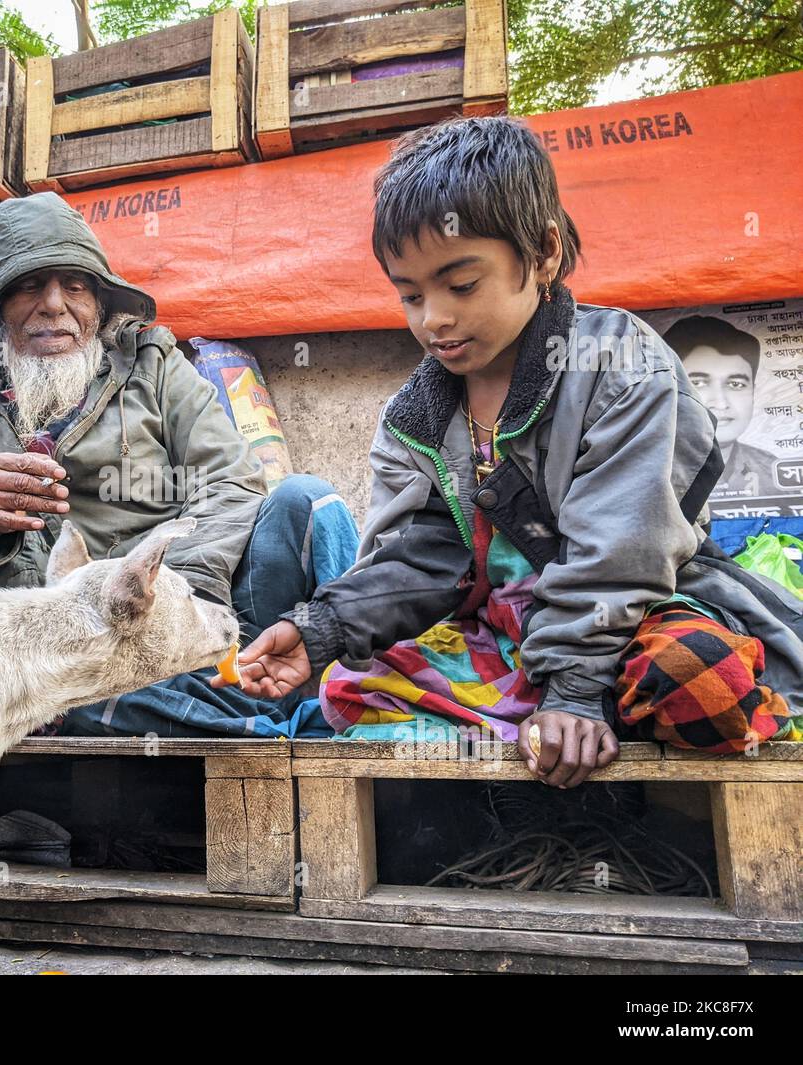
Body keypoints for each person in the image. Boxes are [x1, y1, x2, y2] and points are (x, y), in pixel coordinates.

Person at [216, 116, 803, 785]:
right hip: (504, 636)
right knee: (351, 685)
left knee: (696, 677)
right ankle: (540, 728)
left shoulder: (619, 365)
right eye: (410, 294)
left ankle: (581, 716)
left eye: (460, 284)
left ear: (543, 251)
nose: (432, 316)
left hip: (632, 617)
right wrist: (322, 627)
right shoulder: (415, 418)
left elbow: (624, 551)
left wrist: (577, 690)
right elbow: (422, 557)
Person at [0, 192, 358, 737]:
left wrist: (173, 590)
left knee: (306, 499)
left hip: (184, 603)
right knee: (59, 693)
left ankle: (311, 699)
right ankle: (283, 727)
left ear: (100, 305)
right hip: (52, 631)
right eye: (29, 286)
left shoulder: (155, 365)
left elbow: (230, 478)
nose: (54, 304)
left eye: (76, 286)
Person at [665, 315, 780, 499]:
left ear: (753, 392)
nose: (720, 403)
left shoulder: (770, 469)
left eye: (736, 384)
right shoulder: (643, 471)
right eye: (699, 383)